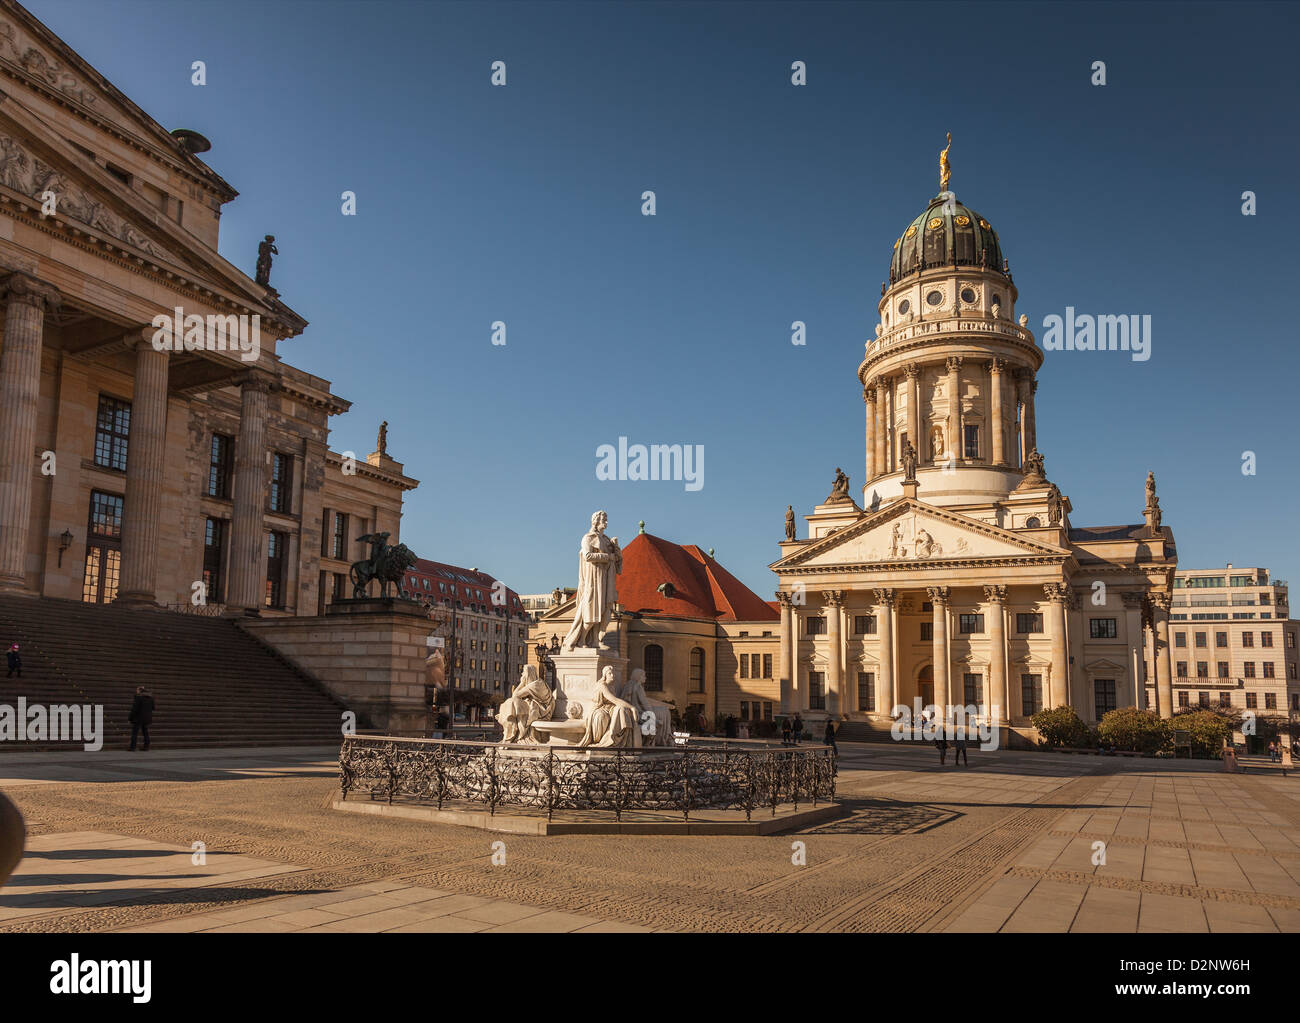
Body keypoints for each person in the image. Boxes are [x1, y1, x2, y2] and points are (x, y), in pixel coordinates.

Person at [128, 686, 154, 751]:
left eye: (137, 690)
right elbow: (153, 708)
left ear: (140, 691)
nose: (136, 691)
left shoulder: (138, 698)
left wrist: (130, 718)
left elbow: (134, 709)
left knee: (135, 733)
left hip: (138, 718)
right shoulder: (150, 698)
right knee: (145, 732)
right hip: (146, 718)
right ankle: (146, 746)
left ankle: (132, 747)